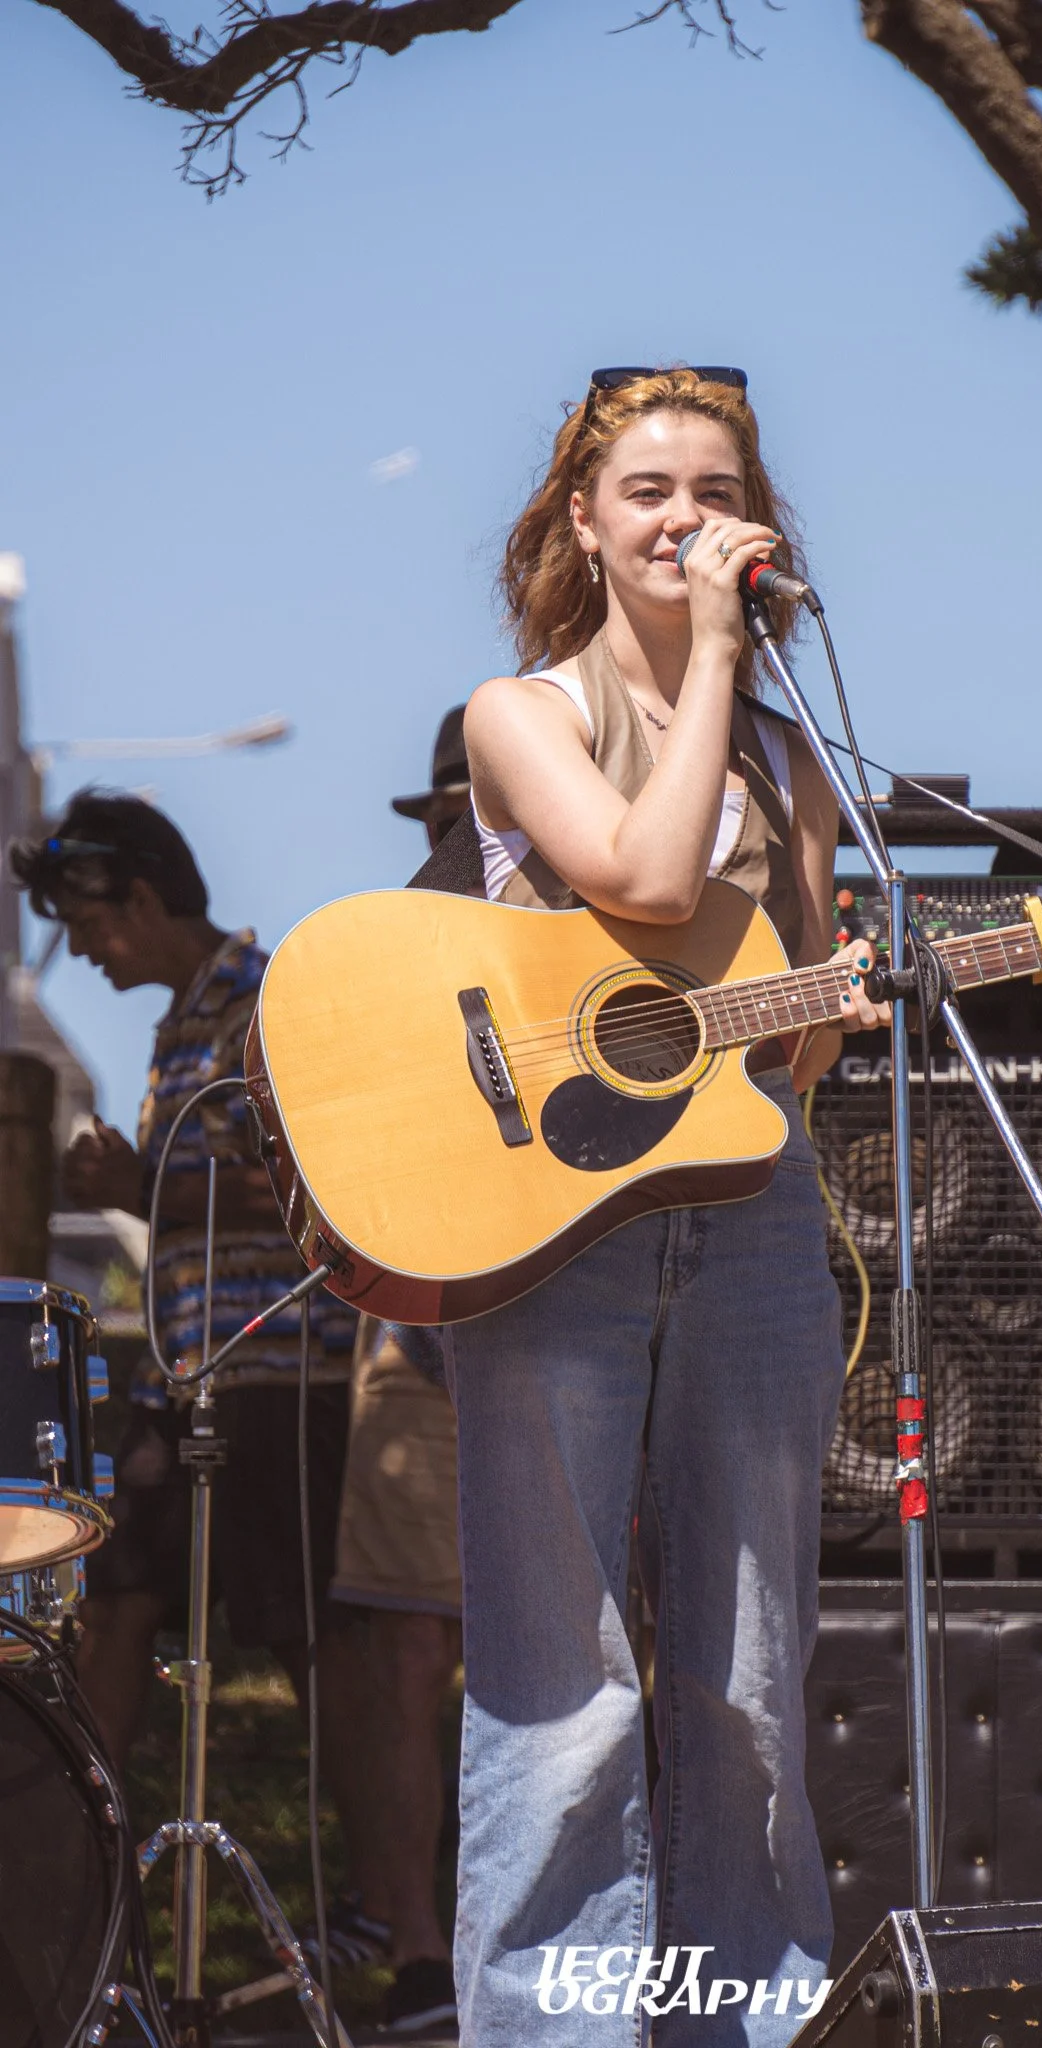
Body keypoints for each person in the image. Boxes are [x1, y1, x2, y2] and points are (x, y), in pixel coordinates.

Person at [447, 366, 887, 2044]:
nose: (687, 516)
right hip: (550, 1226)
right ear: (584, 520)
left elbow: (783, 1053)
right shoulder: (522, 713)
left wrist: (829, 1018)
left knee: (747, 1666)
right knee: (569, 1678)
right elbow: (637, 873)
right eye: (650, 490)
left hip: (750, 1210)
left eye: (718, 486)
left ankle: (748, 2019)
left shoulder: (788, 752)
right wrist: (707, 650)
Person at [6, 795, 372, 1862]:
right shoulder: (180, 1024)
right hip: (187, 1377)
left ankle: (389, 1908)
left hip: (275, 1373)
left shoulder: (265, 1003)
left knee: (305, 1635)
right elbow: (199, 1209)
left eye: (92, 927)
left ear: (148, 897)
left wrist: (148, 1178)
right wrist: (147, 1188)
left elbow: (329, 1192)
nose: (84, 953)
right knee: (116, 1604)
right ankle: (84, 1887)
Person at [321, 711, 471, 2035]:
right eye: (442, 812)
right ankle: (420, 1953)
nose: (455, 831)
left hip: (583, 1330)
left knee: (625, 1651)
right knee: (408, 1655)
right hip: (423, 1345)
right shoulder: (390, 943)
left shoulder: (597, 910)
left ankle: (604, 1943)